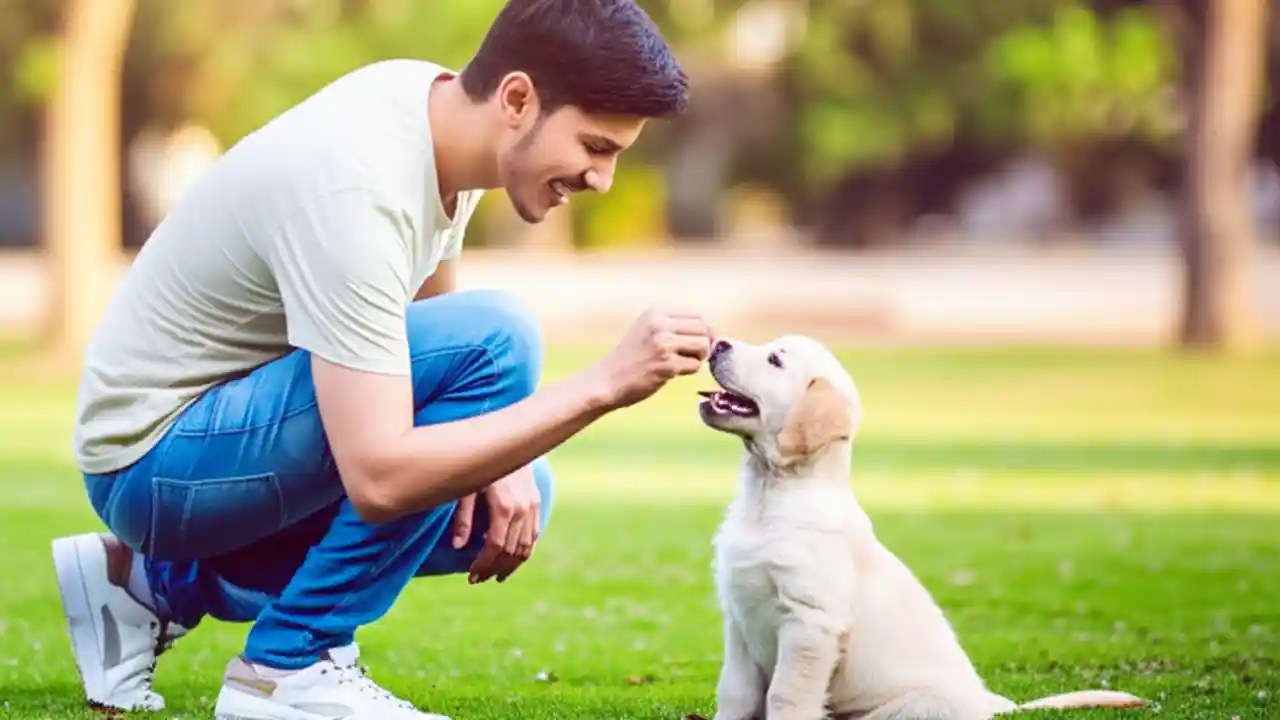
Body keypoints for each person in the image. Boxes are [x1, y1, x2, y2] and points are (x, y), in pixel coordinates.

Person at [51, 2, 710, 718]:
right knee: (503, 337)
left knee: (511, 498)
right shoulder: (356, 182)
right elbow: (380, 476)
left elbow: (432, 332)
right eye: (594, 147)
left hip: (208, 455)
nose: (601, 179)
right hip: (155, 462)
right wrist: (604, 385)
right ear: (517, 99)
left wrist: (494, 454)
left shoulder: (434, 122)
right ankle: (288, 668)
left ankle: (149, 585)